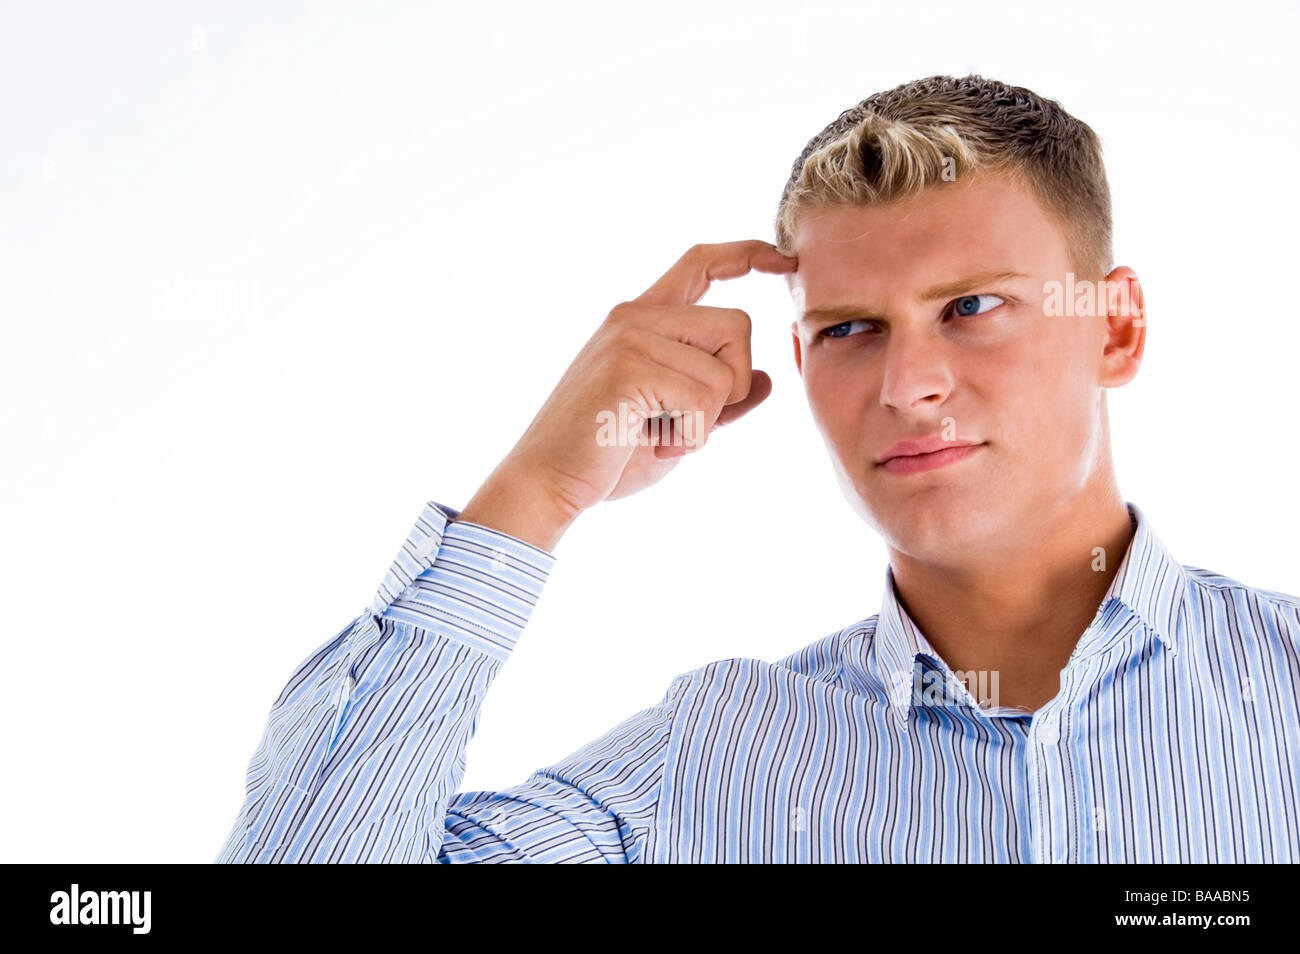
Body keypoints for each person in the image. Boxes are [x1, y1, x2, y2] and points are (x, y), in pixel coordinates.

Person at [215, 74, 1300, 863]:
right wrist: (535, 493)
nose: (905, 384)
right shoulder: (717, 755)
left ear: (1111, 330)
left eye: (970, 308)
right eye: (849, 329)